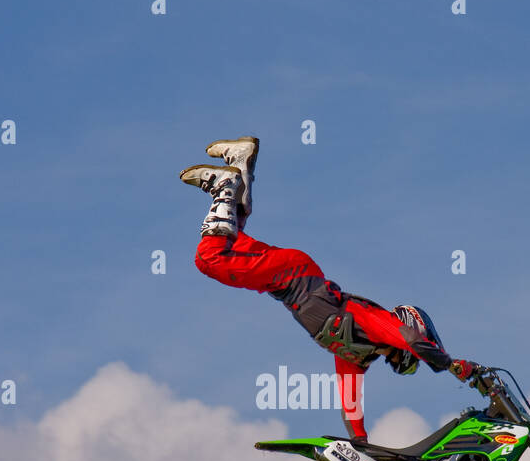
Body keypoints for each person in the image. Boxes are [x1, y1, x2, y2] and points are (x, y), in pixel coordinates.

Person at [180, 136, 479, 444]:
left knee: (229, 239)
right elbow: (409, 339)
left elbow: (350, 401)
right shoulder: (380, 322)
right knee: (209, 258)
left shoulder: (356, 354)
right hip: (293, 274)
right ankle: (225, 185)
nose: (404, 364)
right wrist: (451, 365)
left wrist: (360, 443)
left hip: (285, 283)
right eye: (411, 360)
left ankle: (240, 163)